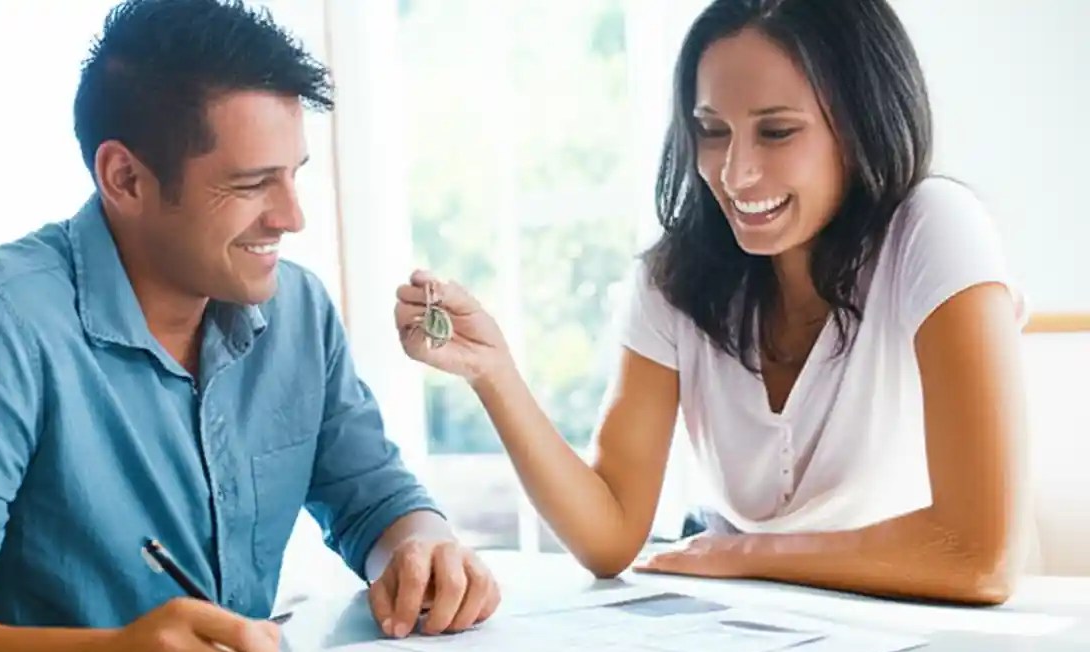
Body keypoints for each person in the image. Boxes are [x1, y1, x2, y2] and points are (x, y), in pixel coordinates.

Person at [0, 1, 500, 652]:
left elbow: (378, 503)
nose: (292, 217)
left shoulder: (297, 310)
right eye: (250, 184)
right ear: (125, 178)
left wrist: (422, 550)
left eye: (293, 173)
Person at [396, 0, 1028, 606]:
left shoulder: (934, 228)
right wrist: (494, 374)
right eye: (712, 132)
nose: (734, 173)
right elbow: (609, 536)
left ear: (864, 123)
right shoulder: (674, 276)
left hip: (914, 631)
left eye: (776, 132)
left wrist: (748, 553)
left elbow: (979, 560)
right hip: (746, 621)